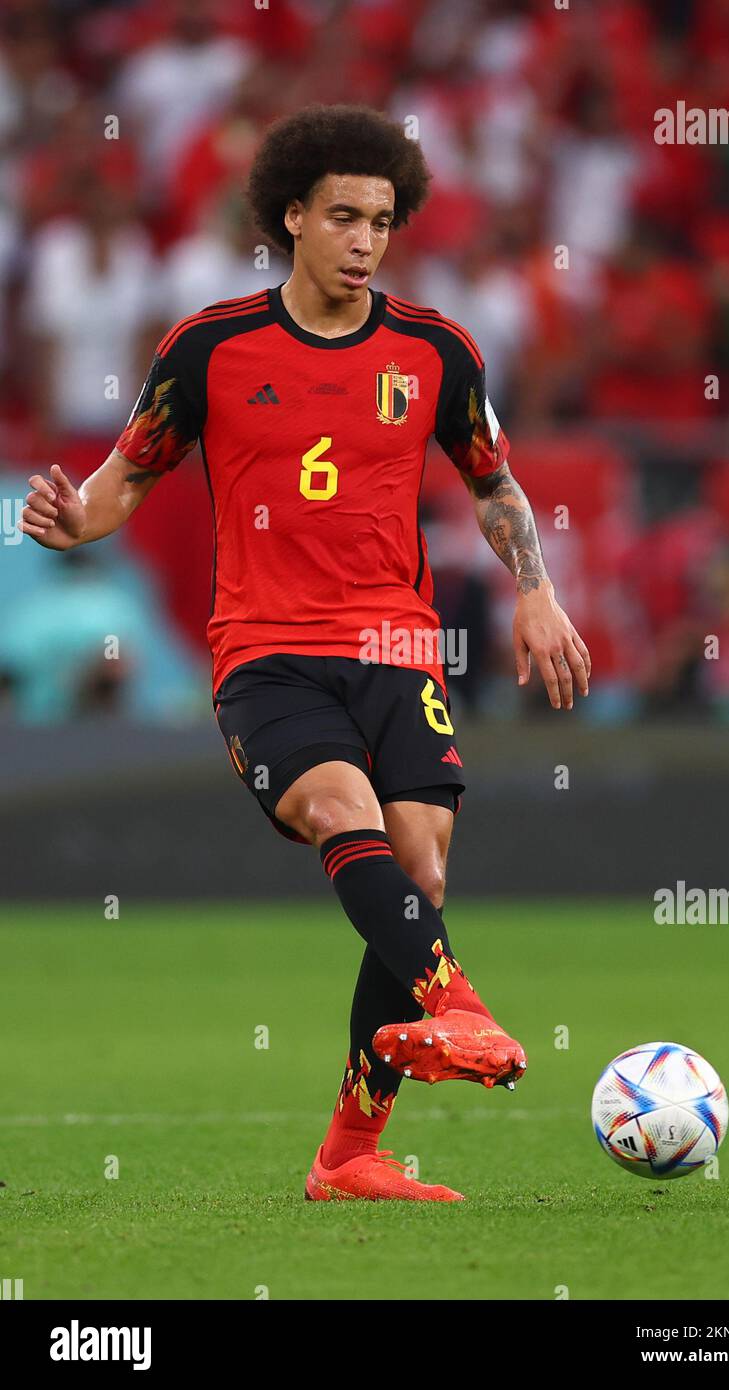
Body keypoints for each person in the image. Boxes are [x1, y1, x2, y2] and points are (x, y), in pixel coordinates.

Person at [19, 103, 590, 1203]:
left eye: (382, 219)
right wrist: (68, 519)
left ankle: (349, 1154)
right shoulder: (210, 347)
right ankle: (458, 1004)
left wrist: (536, 592)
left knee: (418, 874)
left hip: (397, 648)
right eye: (343, 217)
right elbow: (125, 478)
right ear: (291, 217)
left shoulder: (434, 350)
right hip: (267, 653)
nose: (366, 240)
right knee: (342, 814)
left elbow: (492, 479)